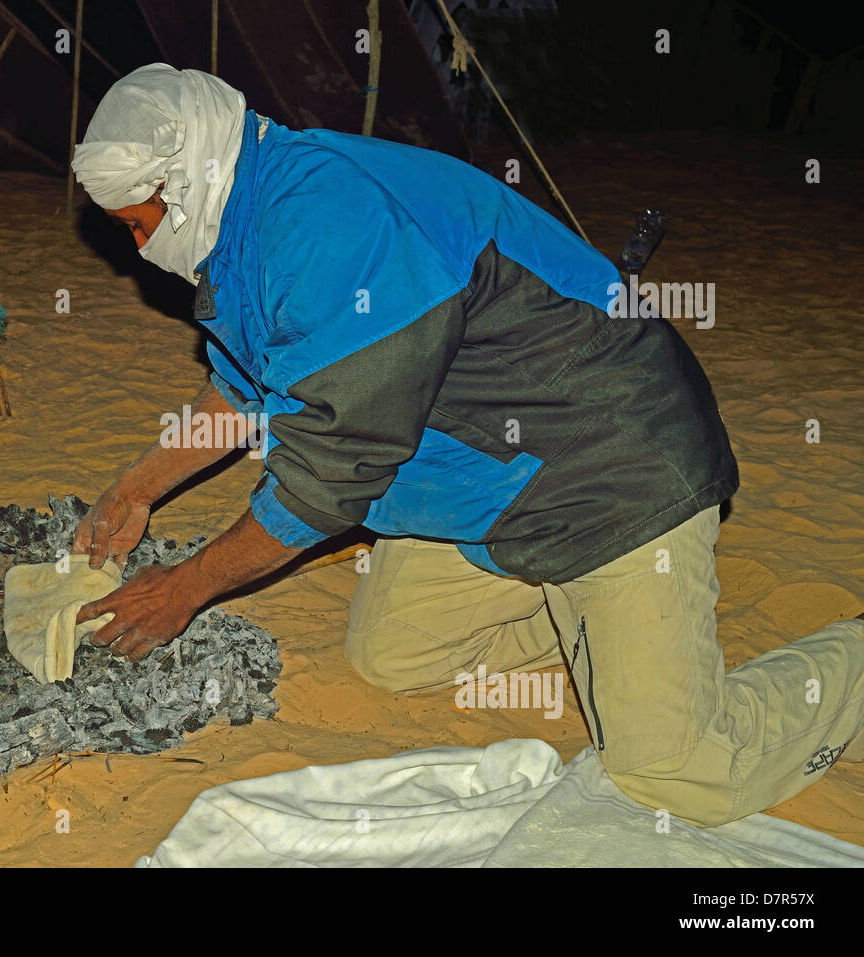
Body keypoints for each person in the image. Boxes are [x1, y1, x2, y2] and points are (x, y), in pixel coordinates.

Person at [66, 63, 864, 826]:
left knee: (671, 773)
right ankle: (593, 622)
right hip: (500, 486)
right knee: (390, 655)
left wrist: (188, 585)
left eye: (139, 225)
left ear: (186, 179)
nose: (139, 250)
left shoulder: (331, 227)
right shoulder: (250, 216)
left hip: (612, 469)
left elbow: (325, 480)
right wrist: (136, 488)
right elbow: (246, 385)